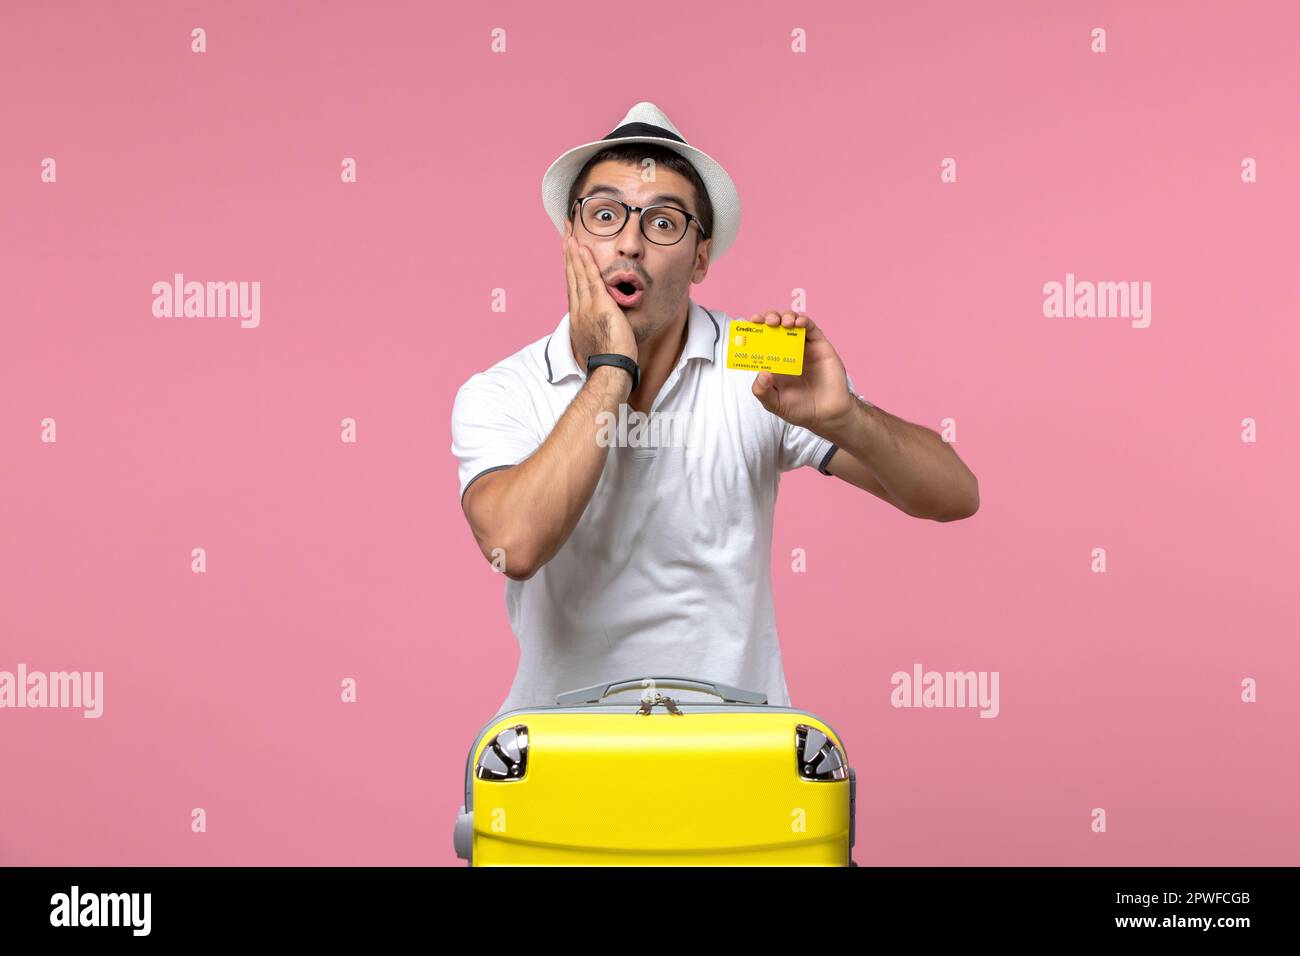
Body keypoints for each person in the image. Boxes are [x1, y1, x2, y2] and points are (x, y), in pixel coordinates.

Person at [451, 102, 979, 717]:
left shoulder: (759, 360)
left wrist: (846, 419)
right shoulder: (502, 390)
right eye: (603, 216)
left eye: (665, 225)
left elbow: (955, 496)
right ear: (571, 241)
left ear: (701, 258)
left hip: (736, 761)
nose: (628, 242)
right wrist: (610, 372)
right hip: (561, 760)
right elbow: (514, 546)